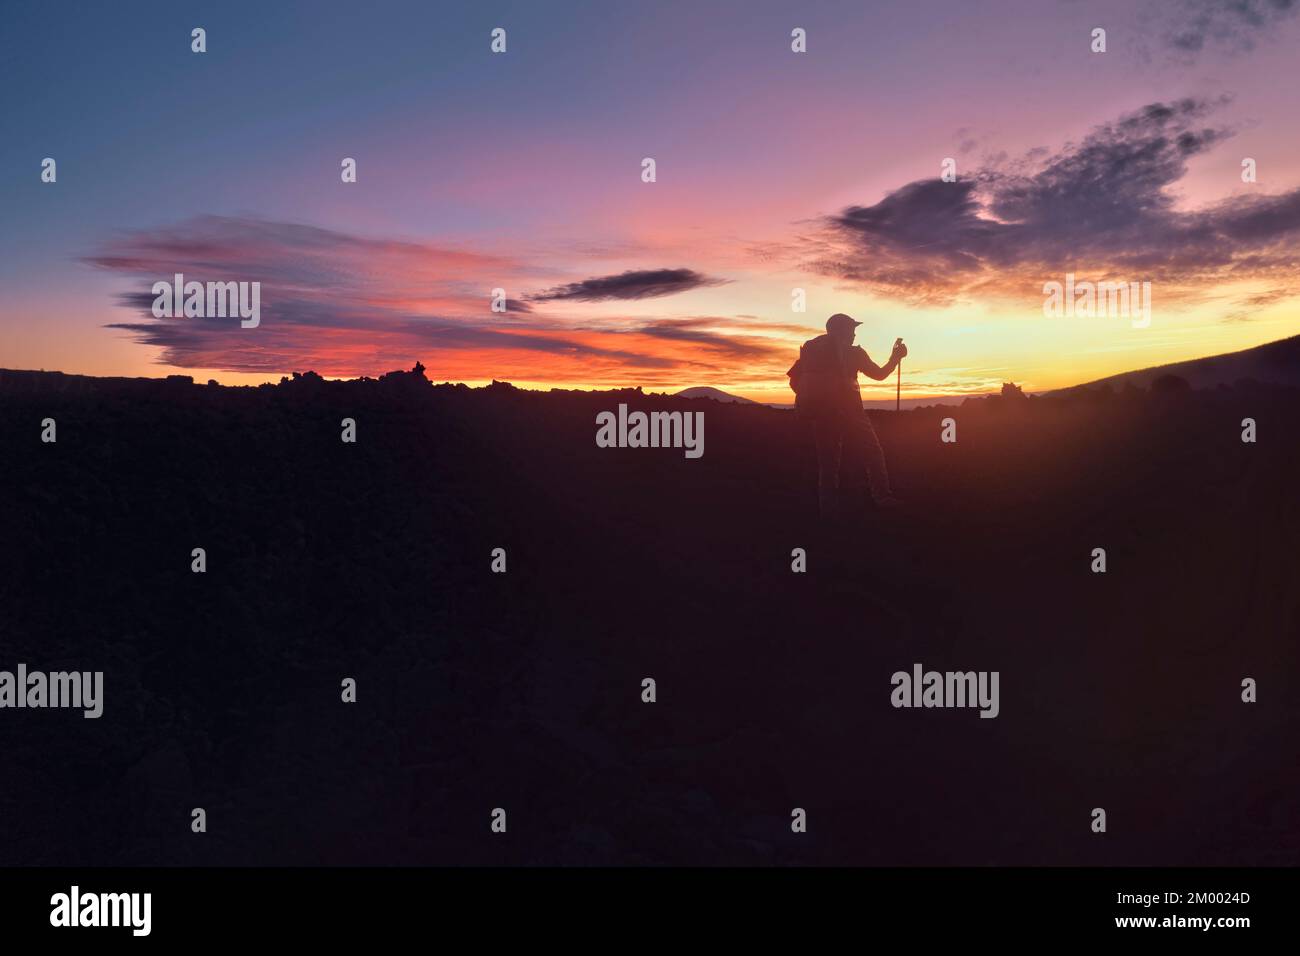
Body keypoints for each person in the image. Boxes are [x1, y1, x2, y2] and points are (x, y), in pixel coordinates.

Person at [787, 313, 907, 517]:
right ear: (842, 331)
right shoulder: (855, 354)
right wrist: (895, 357)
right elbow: (879, 375)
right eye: (851, 329)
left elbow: (793, 382)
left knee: (828, 463)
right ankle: (882, 497)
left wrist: (816, 399)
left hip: (822, 414)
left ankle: (828, 509)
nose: (853, 334)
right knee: (873, 453)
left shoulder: (812, 353)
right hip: (852, 412)